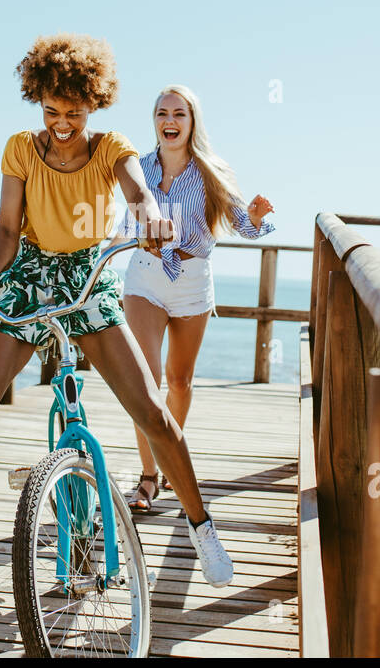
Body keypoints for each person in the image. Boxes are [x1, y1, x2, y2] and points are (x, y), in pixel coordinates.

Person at [0, 35, 235, 593]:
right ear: (38, 103)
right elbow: (7, 228)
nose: (63, 123)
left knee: (151, 406)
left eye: (74, 112)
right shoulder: (21, 149)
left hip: (86, 276)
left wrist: (150, 218)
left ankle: (202, 529)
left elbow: (138, 194)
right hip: (28, 275)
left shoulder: (110, 147)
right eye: (52, 111)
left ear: (92, 105)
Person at [116, 84, 275, 512]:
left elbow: (243, 223)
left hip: (191, 281)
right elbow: (123, 220)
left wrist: (257, 218)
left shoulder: (211, 171)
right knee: (146, 380)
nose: (170, 121)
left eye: (179, 114)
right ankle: (148, 477)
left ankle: (168, 457)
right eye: (162, 113)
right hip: (145, 275)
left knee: (179, 382)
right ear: (154, 121)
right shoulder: (137, 167)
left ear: (192, 122)